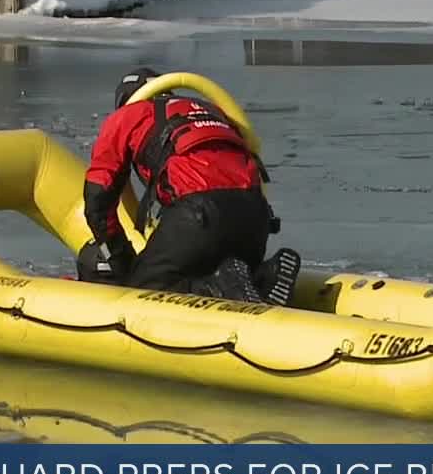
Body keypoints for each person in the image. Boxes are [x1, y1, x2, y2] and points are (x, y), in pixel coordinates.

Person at [78, 67, 300, 305]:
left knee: (146, 289)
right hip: (254, 217)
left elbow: (98, 197)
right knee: (216, 266)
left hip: (199, 214)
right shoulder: (213, 111)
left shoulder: (128, 115)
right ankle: (263, 276)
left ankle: (217, 285)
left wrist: (120, 257)